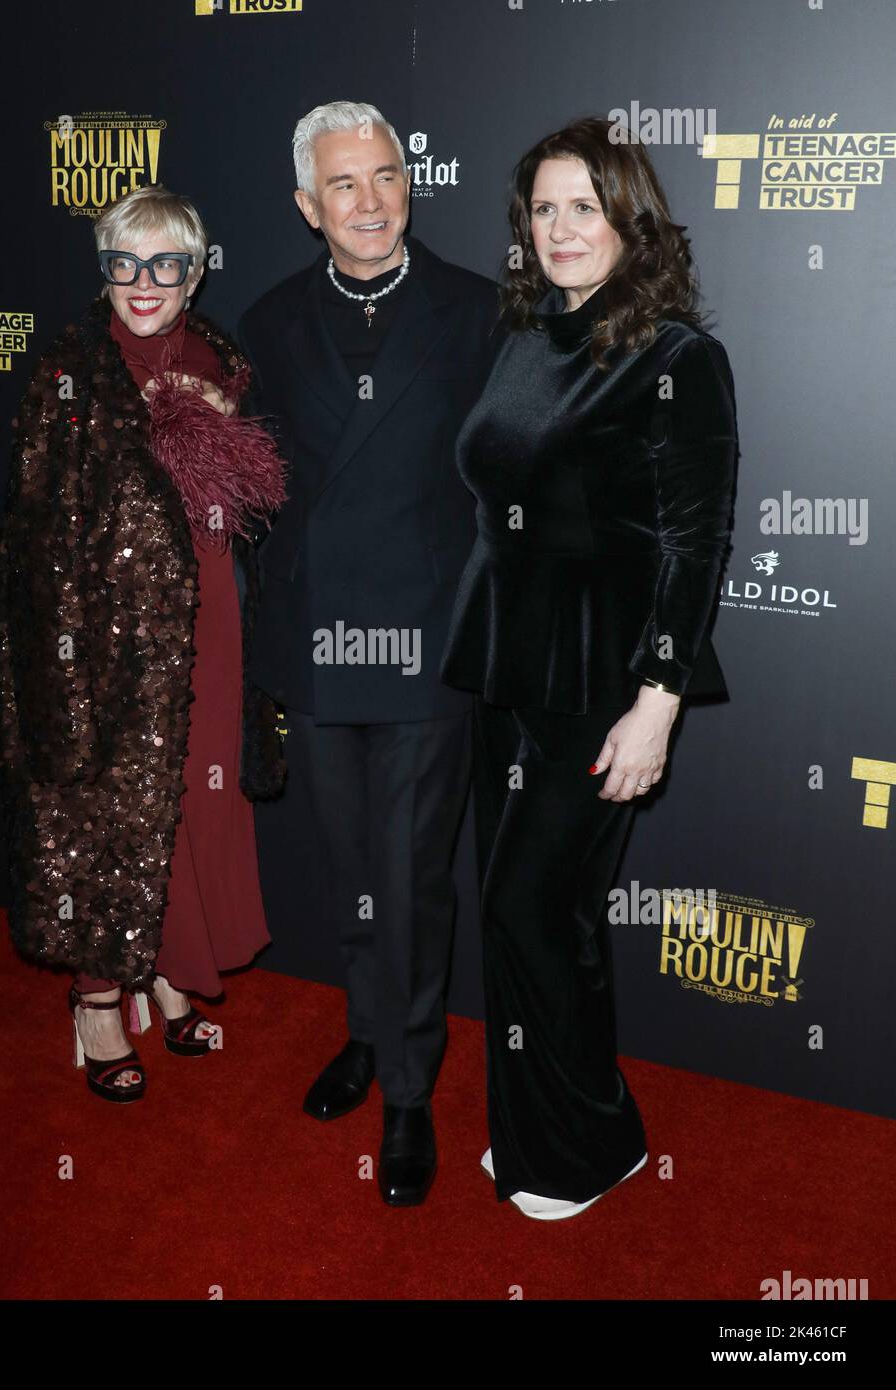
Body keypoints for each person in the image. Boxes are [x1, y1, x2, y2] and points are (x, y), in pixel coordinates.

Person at [441, 116, 739, 1218]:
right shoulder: (525, 331)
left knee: (536, 907)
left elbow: (694, 540)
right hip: (506, 660)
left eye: (583, 205)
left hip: (604, 676)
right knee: (515, 909)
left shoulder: (675, 357)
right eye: (542, 207)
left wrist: (657, 704)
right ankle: (533, 1128)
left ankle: (589, 1144)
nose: (559, 227)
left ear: (629, 217)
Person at [238, 101, 500, 1204]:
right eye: (343, 185)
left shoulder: (479, 310)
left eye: (386, 176)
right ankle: (364, 1030)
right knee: (354, 871)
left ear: (409, 183)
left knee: (409, 878)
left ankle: (405, 1089)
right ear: (308, 206)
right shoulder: (267, 319)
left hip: (424, 645)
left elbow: (509, 480)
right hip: (316, 638)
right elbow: (262, 492)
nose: (370, 201)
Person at [0, 184, 286, 1104]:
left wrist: (219, 422)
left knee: (193, 804)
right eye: (125, 262)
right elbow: (35, 532)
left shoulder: (220, 358)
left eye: (166, 263)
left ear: (194, 272)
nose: (144, 282)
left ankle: (167, 969)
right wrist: (59, 671)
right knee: (103, 818)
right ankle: (96, 1000)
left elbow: (258, 507)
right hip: (104, 644)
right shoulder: (69, 370)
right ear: (105, 268)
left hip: (209, 622)